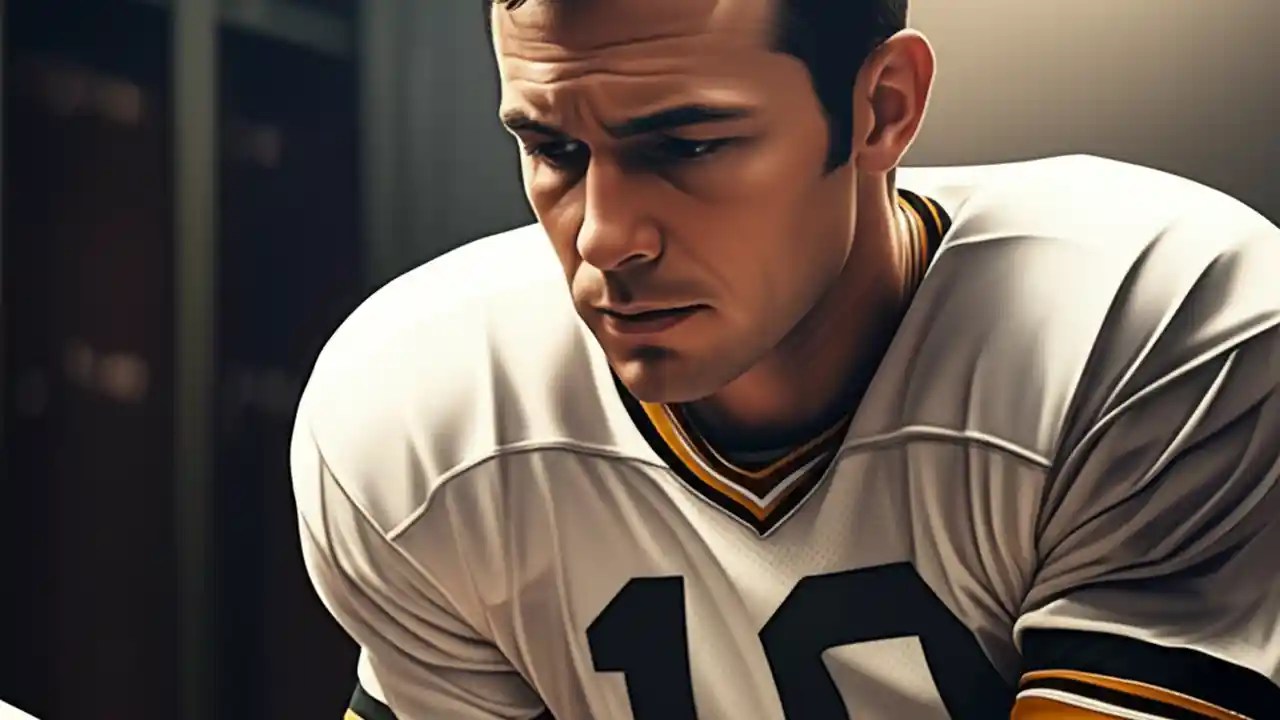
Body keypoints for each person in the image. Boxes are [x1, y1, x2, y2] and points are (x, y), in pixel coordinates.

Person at [292, 0, 1280, 717]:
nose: (602, 238)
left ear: (881, 108)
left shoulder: (1147, 319)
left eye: (686, 146)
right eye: (552, 150)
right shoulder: (420, 414)